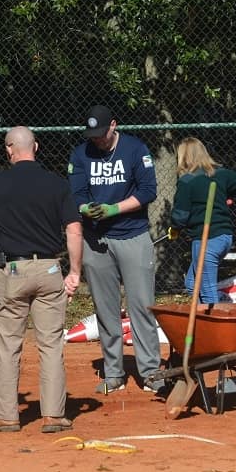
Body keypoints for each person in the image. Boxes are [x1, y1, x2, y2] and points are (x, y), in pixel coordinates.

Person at [0, 126, 83, 433]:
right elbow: (74, 230)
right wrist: (74, 272)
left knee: (9, 344)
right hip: (49, 268)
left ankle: (7, 415)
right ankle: (53, 414)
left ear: (9, 149)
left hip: (13, 270)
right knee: (51, 344)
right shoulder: (57, 183)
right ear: (35, 146)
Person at [68, 105, 163, 394]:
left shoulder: (135, 149)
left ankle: (150, 371)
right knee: (106, 310)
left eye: (101, 134)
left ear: (113, 125)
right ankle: (113, 374)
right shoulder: (81, 153)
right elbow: (76, 194)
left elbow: (148, 191)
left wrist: (114, 209)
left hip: (133, 235)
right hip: (97, 240)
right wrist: (87, 208)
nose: (97, 139)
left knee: (142, 306)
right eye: (92, 135)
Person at [170, 137, 236, 304]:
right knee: (192, 283)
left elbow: (180, 216)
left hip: (207, 239)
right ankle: (199, 318)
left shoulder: (187, 182)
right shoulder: (220, 174)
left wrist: (175, 227)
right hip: (225, 238)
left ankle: (213, 326)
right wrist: (226, 194)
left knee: (208, 291)